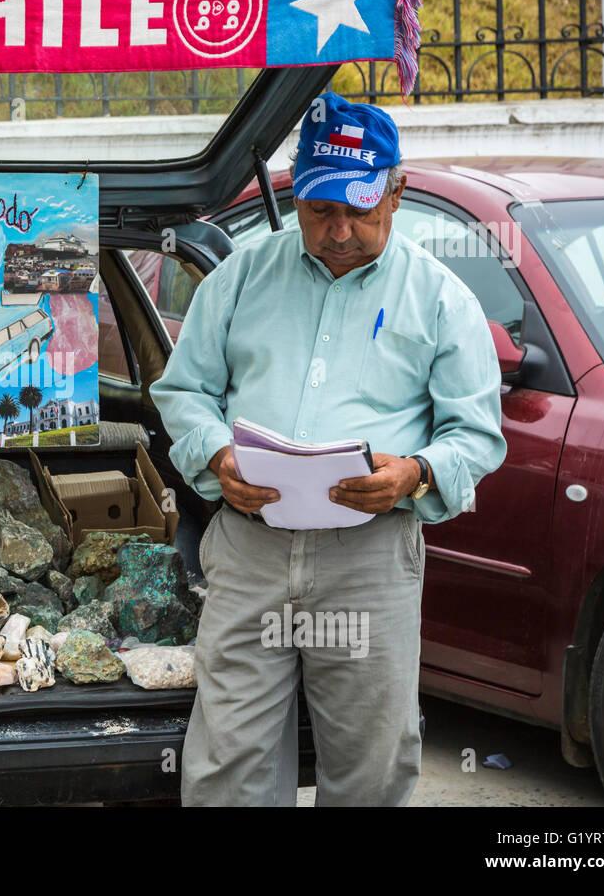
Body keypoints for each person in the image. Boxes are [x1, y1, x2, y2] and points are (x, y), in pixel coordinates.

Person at [151, 91, 507, 806]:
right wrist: (219, 456)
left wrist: (415, 472)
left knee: (371, 767)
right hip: (251, 550)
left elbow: (476, 435)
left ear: (397, 192)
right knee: (227, 765)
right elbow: (182, 393)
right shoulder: (242, 277)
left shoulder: (441, 299)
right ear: (297, 192)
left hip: (370, 558)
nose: (339, 229)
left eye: (359, 209)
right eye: (320, 210)